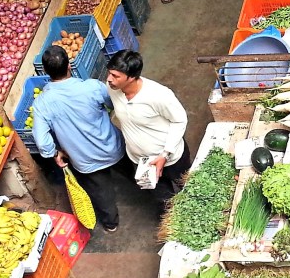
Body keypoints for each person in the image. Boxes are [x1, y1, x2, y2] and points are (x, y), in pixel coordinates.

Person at [32, 46, 125, 233]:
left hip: (85, 160)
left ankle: (111, 223)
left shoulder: (42, 103)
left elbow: (42, 142)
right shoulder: (91, 87)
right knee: (132, 169)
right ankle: (152, 189)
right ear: (69, 66)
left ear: (45, 72)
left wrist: (54, 153)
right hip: (113, 146)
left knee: (102, 192)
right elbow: (113, 104)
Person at [105, 50, 192, 205]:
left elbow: (179, 120)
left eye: (115, 76)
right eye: (110, 73)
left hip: (171, 159)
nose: (109, 79)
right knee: (163, 201)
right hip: (142, 162)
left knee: (190, 188)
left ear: (131, 77)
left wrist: (165, 154)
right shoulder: (112, 88)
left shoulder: (158, 95)